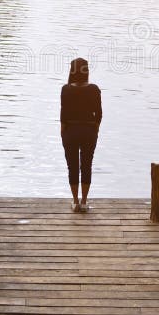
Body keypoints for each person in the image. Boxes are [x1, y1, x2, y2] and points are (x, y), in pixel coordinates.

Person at [60, 57, 102, 213]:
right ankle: (84, 202)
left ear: (72, 71)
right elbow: (99, 114)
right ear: (86, 71)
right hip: (89, 132)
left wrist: (63, 131)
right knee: (86, 166)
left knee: (72, 167)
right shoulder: (94, 89)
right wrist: (95, 130)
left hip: (70, 131)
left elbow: (63, 115)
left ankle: (75, 202)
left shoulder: (66, 89)